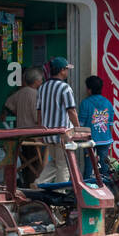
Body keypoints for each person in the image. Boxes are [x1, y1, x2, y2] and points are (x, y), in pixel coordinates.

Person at [37, 57, 79, 185]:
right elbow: (71, 111)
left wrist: (40, 131)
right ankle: (60, 192)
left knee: (55, 163)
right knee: (64, 166)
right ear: (62, 70)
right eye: (67, 69)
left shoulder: (42, 87)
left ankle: (39, 183)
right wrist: (78, 129)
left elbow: (39, 112)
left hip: (48, 134)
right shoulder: (65, 87)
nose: (67, 72)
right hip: (62, 134)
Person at [1, 66, 45, 184]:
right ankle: (34, 184)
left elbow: (8, 104)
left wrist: (19, 112)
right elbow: (37, 118)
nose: (42, 82)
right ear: (36, 81)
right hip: (33, 135)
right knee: (36, 161)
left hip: (20, 134)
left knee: (25, 161)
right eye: (41, 80)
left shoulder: (20, 93)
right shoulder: (36, 94)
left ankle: (27, 183)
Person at [79, 76, 115, 179]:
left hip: (89, 140)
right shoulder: (108, 103)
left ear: (89, 90)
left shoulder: (85, 103)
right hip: (105, 139)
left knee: (89, 167)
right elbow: (110, 124)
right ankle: (106, 187)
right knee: (105, 168)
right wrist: (109, 139)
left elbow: (80, 124)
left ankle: (87, 186)